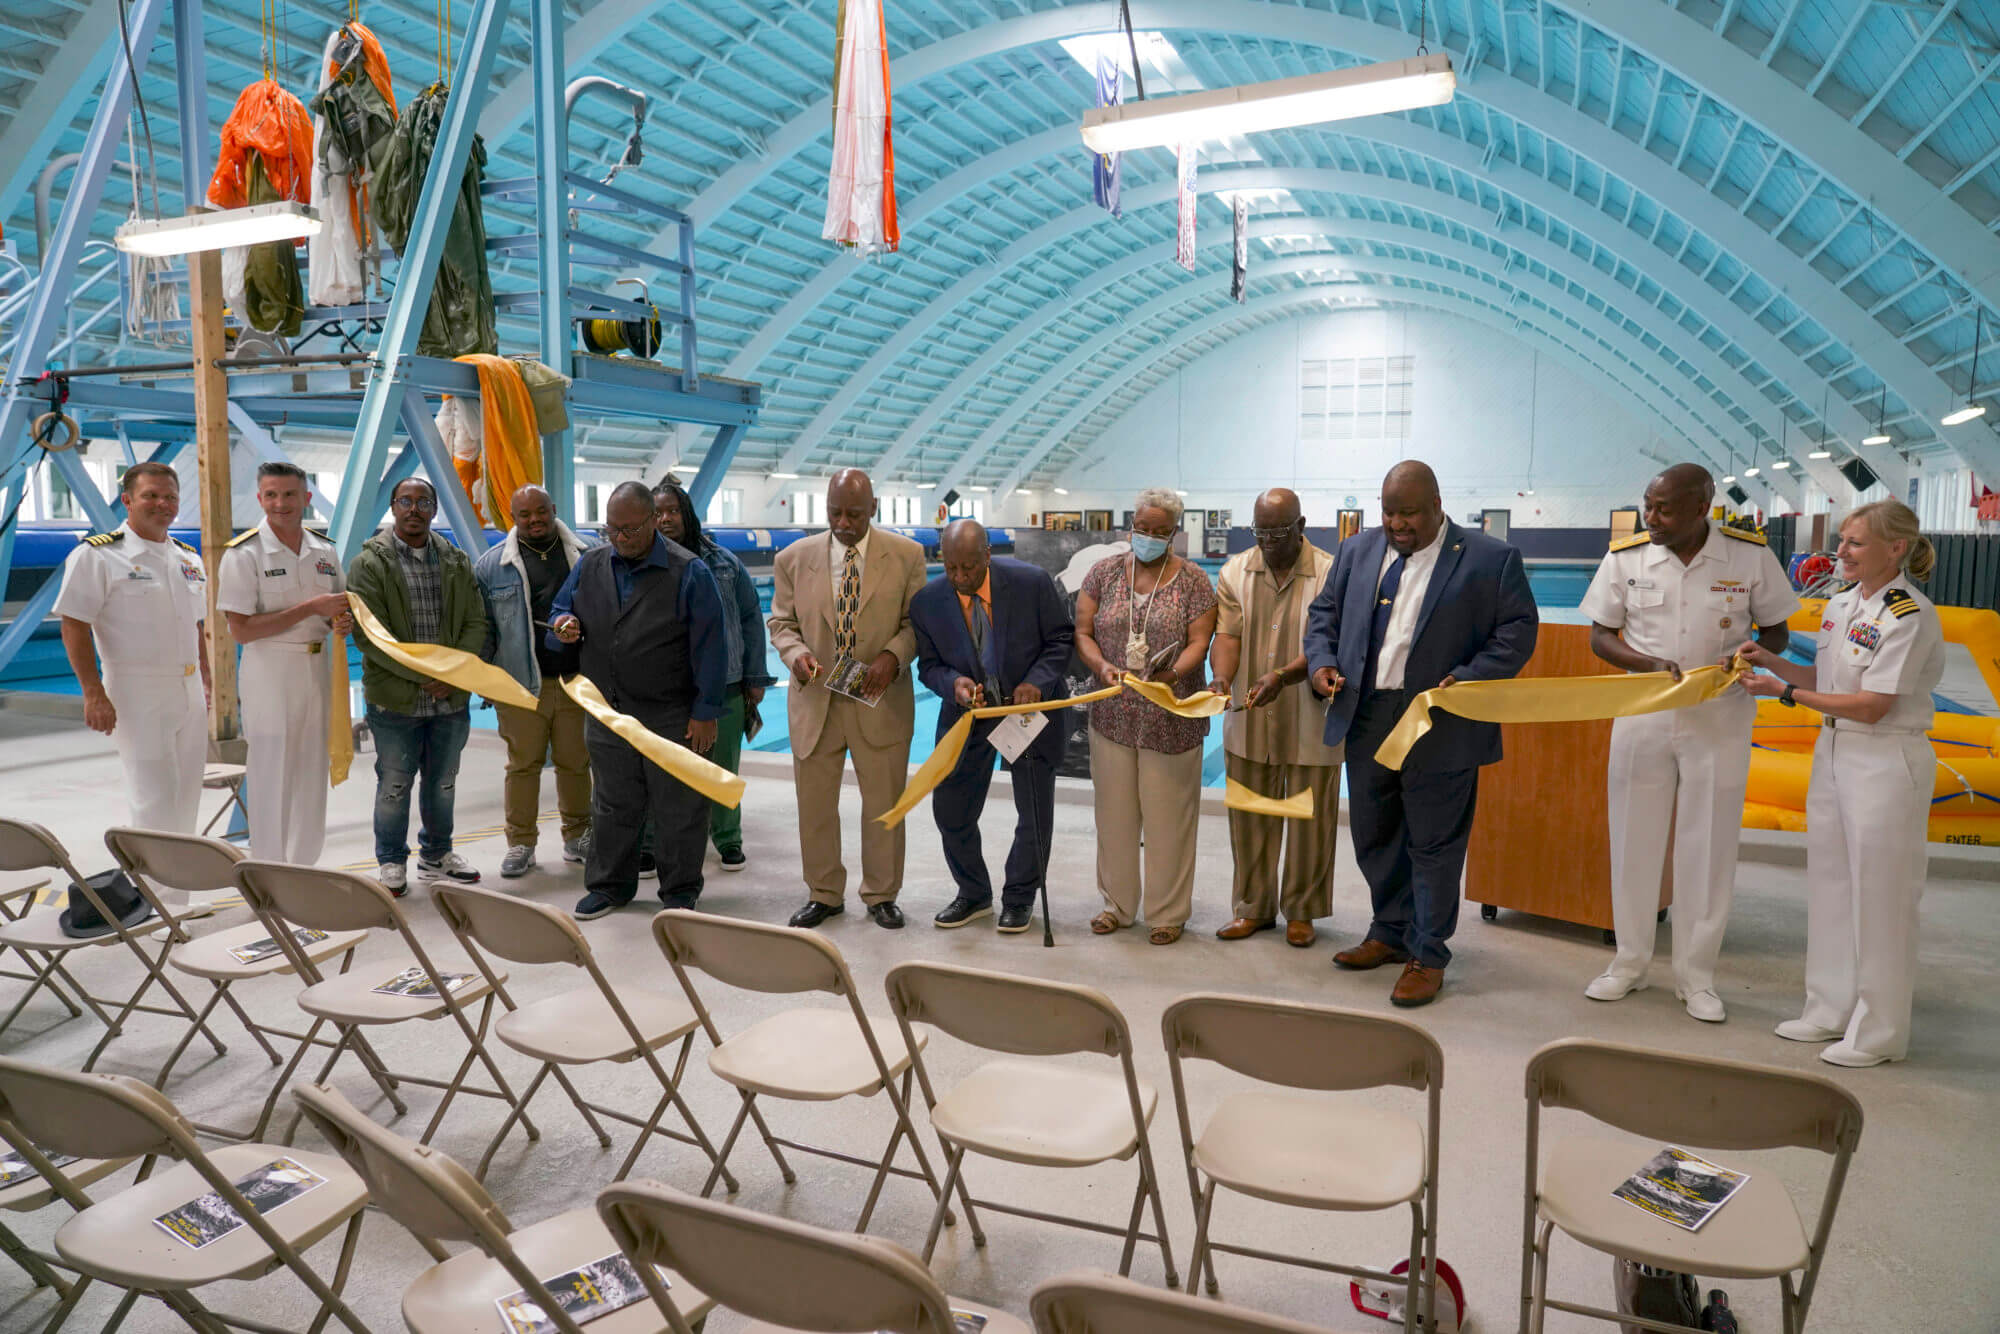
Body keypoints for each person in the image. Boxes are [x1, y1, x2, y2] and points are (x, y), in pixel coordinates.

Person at [1304, 460, 1537, 1006]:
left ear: (1437, 505)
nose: (1396, 524)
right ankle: (1389, 931)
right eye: (1388, 512)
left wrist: (1471, 679)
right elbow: (1324, 614)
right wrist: (1321, 663)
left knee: (1434, 842)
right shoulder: (1358, 551)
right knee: (1375, 831)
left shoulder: (1490, 559)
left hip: (1441, 719)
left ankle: (1428, 953)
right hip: (1367, 716)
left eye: (1408, 513)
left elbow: (1518, 630)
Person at [1579, 464, 1798, 1023]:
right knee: (1633, 838)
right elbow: (1601, 636)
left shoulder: (1748, 557)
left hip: (1718, 715)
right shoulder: (1626, 557)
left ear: (1702, 507)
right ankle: (1628, 963)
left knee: (1709, 844)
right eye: (1648, 506)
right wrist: (1647, 663)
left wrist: (1752, 651)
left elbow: (1777, 629)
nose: (1651, 517)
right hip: (1644, 712)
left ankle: (1697, 978)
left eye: (1665, 509)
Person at [1731, 499, 1944, 1068]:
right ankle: (1828, 1007)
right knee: (1830, 885)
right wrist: (1775, 668)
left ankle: (1879, 1032)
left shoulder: (1909, 614)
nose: (1840, 552)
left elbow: (1873, 706)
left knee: (1883, 896)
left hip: (1883, 758)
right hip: (1833, 751)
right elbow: (1825, 679)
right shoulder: (1842, 603)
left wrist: (1784, 694)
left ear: (1895, 549)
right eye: (1842, 540)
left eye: (1854, 543)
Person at [549, 481, 729, 921]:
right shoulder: (590, 564)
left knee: (678, 805)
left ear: (653, 522)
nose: (621, 538)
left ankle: (681, 889)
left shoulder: (688, 571)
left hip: (669, 712)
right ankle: (610, 886)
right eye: (613, 529)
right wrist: (563, 623)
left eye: (630, 529)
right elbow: (558, 610)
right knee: (612, 803)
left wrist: (705, 713)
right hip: (608, 711)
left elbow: (711, 647)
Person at [766, 468, 926, 929]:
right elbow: (780, 623)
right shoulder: (793, 559)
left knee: (883, 806)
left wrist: (893, 658)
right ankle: (824, 892)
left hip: (879, 698)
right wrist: (795, 655)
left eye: (854, 514)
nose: (843, 523)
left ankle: (881, 894)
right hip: (816, 700)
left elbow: (917, 624)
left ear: (874, 508)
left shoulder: (907, 555)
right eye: (835, 513)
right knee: (815, 807)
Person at [911, 519, 1073, 934]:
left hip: (1026, 714)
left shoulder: (1031, 583)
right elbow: (929, 667)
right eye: (950, 568)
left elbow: (1060, 640)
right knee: (950, 808)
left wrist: (1036, 682)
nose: (960, 577)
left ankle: (1019, 898)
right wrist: (955, 685)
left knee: (1033, 813)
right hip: (969, 716)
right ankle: (973, 893)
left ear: (987, 554)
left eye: (968, 567)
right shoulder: (927, 602)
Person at [1074, 487, 1218, 946]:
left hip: (1171, 718)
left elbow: (1201, 640)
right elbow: (1083, 630)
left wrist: (1173, 674)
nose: (1150, 537)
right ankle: (1116, 905)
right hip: (1113, 715)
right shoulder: (1104, 573)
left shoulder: (1194, 580)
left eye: (1160, 531)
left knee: (1168, 820)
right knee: (1113, 816)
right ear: (1129, 527)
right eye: (1143, 529)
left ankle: (1167, 912)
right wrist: (1100, 666)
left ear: (1175, 532)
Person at [1207, 488, 1342, 948]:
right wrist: (1222, 679)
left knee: (1309, 818)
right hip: (1249, 717)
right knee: (1249, 814)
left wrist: (1283, 677)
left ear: (1301, 527)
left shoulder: (1329, 572)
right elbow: (1227, 634)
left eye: (1278, 532)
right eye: (1259, 531)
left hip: (1311, 715)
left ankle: (1302, 912)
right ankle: (1253, 909)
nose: (1267, 541)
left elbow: (1330, 643)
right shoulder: (1234, 571)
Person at [346, 477, 486, 893]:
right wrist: (426, 675)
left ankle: (436, 854)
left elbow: (475, 622)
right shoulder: (368, 565)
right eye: (405, 501)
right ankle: (391, 860)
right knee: (394, 784)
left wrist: (452, 674)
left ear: (434, 509)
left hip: (449, 702)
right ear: (392, 507)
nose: (413, 509)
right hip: (396, 702)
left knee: (443, 783)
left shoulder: (456, 562)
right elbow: (370, 635)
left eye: (423, 502)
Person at [55, 461, 211, 834]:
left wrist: (207, 681)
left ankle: (175, 892)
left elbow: (196, 625)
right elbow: (74, 623)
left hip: (189, 690)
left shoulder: (188, 557)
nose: (162, 504)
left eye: (170, 497)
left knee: (187, 797)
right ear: (127, 500)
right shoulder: (98, 556)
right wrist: (93, 693)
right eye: (150, 496)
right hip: (137, 690)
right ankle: (155, 891)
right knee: (154, 800)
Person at [215, 461, 352, 864]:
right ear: (260, 499)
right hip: (269, 671)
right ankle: (270, 869)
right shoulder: (244, 554)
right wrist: (311, 607)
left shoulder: (324, 551)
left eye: (290, 494)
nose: (281, 503)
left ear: (307, 498)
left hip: (317, 668)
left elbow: (337, 609)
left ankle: (304, 868)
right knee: (272, 773)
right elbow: (241, 631)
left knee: (311, 773)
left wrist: (339, 620)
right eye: (271, 495)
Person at [653, 476, 777, 871]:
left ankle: (727, 839)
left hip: (724, 683)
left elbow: (750, 618)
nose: (665, 519)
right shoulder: (640, 563)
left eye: (672, 511)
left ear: (687, 514)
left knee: (722, 767)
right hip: (669, 688)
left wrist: (755, 678)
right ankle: (654, 841)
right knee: (663, 770)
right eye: (657, 513)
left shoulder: (725, 563)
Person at [474, 484, 595, 880]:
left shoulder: (589, 554)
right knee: (522, 766)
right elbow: (485, 629)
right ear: (513, 518)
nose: (534, 520)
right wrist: (487, 679)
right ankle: (520, 843)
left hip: (576, 680)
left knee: (576, 763)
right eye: (524, 515)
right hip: (521, 685)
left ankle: (578, 836)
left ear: (554, 508)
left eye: (540, 511)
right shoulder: (493, 565)